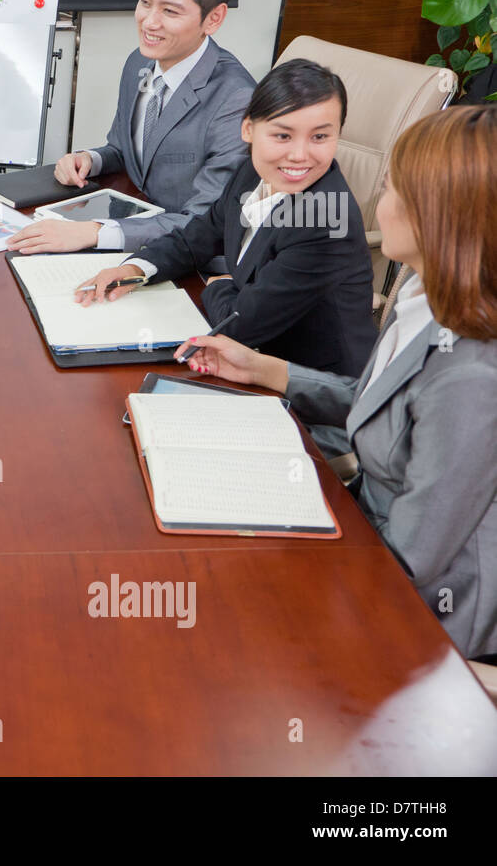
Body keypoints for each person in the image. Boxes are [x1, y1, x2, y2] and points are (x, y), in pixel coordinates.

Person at [173, 106, 497, 661]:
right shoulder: (424, 295)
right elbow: (388, 411)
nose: (377, 205)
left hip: (421, 620)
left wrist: (284, 574)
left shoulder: (472, 375)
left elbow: (409, 562)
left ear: (438, 217)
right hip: (360, 539)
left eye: (392, 190)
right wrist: (265, 370)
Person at [73, 59, 377, 378]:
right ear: (248, 129)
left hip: (316, 389)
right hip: (255, 360)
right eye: (283, 136)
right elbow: (199, 235)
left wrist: (218, 285)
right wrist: (135, 269)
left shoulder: (326, 221)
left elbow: (241, 324)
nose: (300, 155)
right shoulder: (251, 171)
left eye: (320, 137)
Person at [7, 0, 254, 254]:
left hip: (192, 258)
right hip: (137, 220)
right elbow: (126, 150)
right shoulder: (140, 62)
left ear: (213, 18)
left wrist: (95, 233)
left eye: (170, 11)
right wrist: (90, 160)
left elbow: (205, 221)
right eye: (145, 2)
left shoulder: (236, 101)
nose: (149, 22)